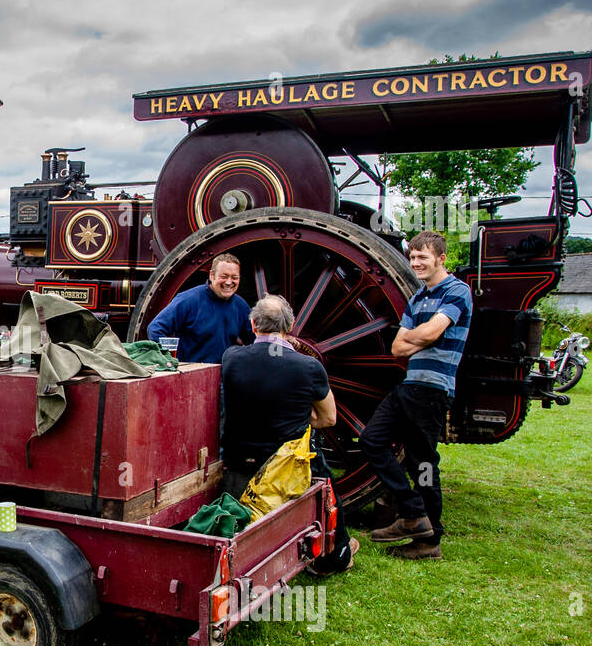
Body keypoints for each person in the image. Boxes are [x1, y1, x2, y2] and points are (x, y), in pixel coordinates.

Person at [221, 294, 357, 574]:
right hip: (285, 464)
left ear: (253, 324)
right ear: (290, 326)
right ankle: (335, 557)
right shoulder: (308, 367)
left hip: (239, 458)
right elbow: (328, 418)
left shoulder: (231, 358)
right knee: (324, 476)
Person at [359, 231, 473, 561]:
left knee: (422, 462)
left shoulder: (457, 291)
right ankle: (411, 512)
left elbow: (432, 331)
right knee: (372, 440)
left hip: (433, 390)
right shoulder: (418, 299)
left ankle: (429, 540)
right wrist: (420, 338)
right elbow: (398, 347)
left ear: (441, 259)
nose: (416, 263)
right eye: (412, 257)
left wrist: (419, 338)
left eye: (423, 257)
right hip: (410, 386)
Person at [146, 253, 253, 364]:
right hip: (194, 377)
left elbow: (255, 341)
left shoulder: (241, 306)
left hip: (227, 376)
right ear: (212, 275)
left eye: (234, 278)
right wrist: (167, 360)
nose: (229, 282)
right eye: (224, 276)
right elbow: (155, 328)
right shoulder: (188, 300)